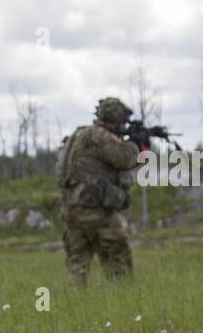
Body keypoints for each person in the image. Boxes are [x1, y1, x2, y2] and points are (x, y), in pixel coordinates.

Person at [55, 97, 141, 284]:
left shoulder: (78, 134)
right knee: (119, 267)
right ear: (115, 119)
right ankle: (124, 305)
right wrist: (136, 145)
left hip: (71, 210)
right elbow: (124, 159)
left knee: (77, 267)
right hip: (95, 212)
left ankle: (73, 308)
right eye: (122, 121)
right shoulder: (99, 136)